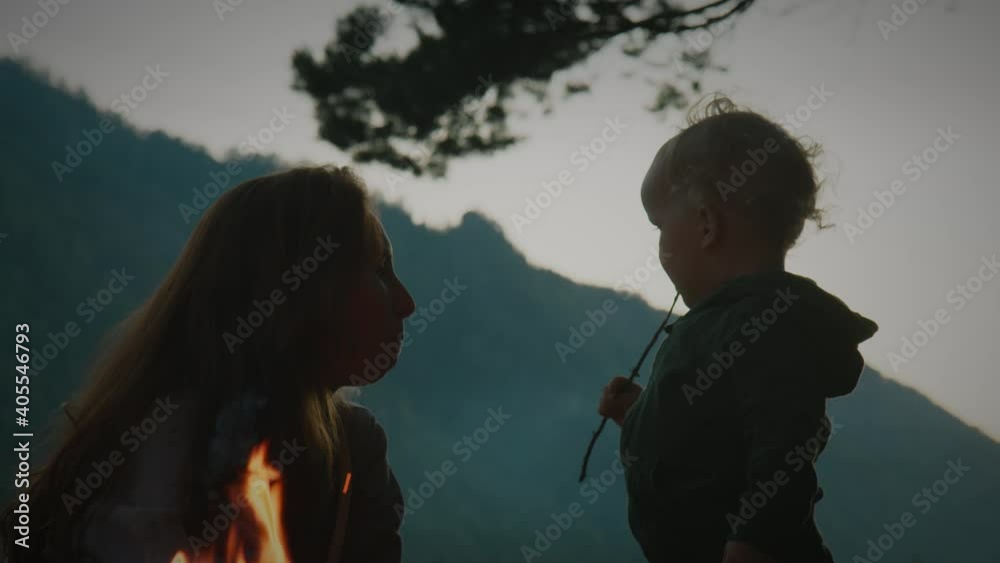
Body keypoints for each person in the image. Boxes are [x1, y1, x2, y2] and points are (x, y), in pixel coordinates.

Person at [0, 166, 416, 562]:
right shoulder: (123, 464)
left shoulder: (353, 453)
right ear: (299, 289)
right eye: (379, 270)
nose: (406, 303)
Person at [598, 95, 878, 563]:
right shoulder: (729, 323)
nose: (660, 245)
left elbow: (782, 453)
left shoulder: (767, 326)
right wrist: (642, 416)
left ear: (706, 225)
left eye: (659, 226)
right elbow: (710, 437)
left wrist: (752, 546)